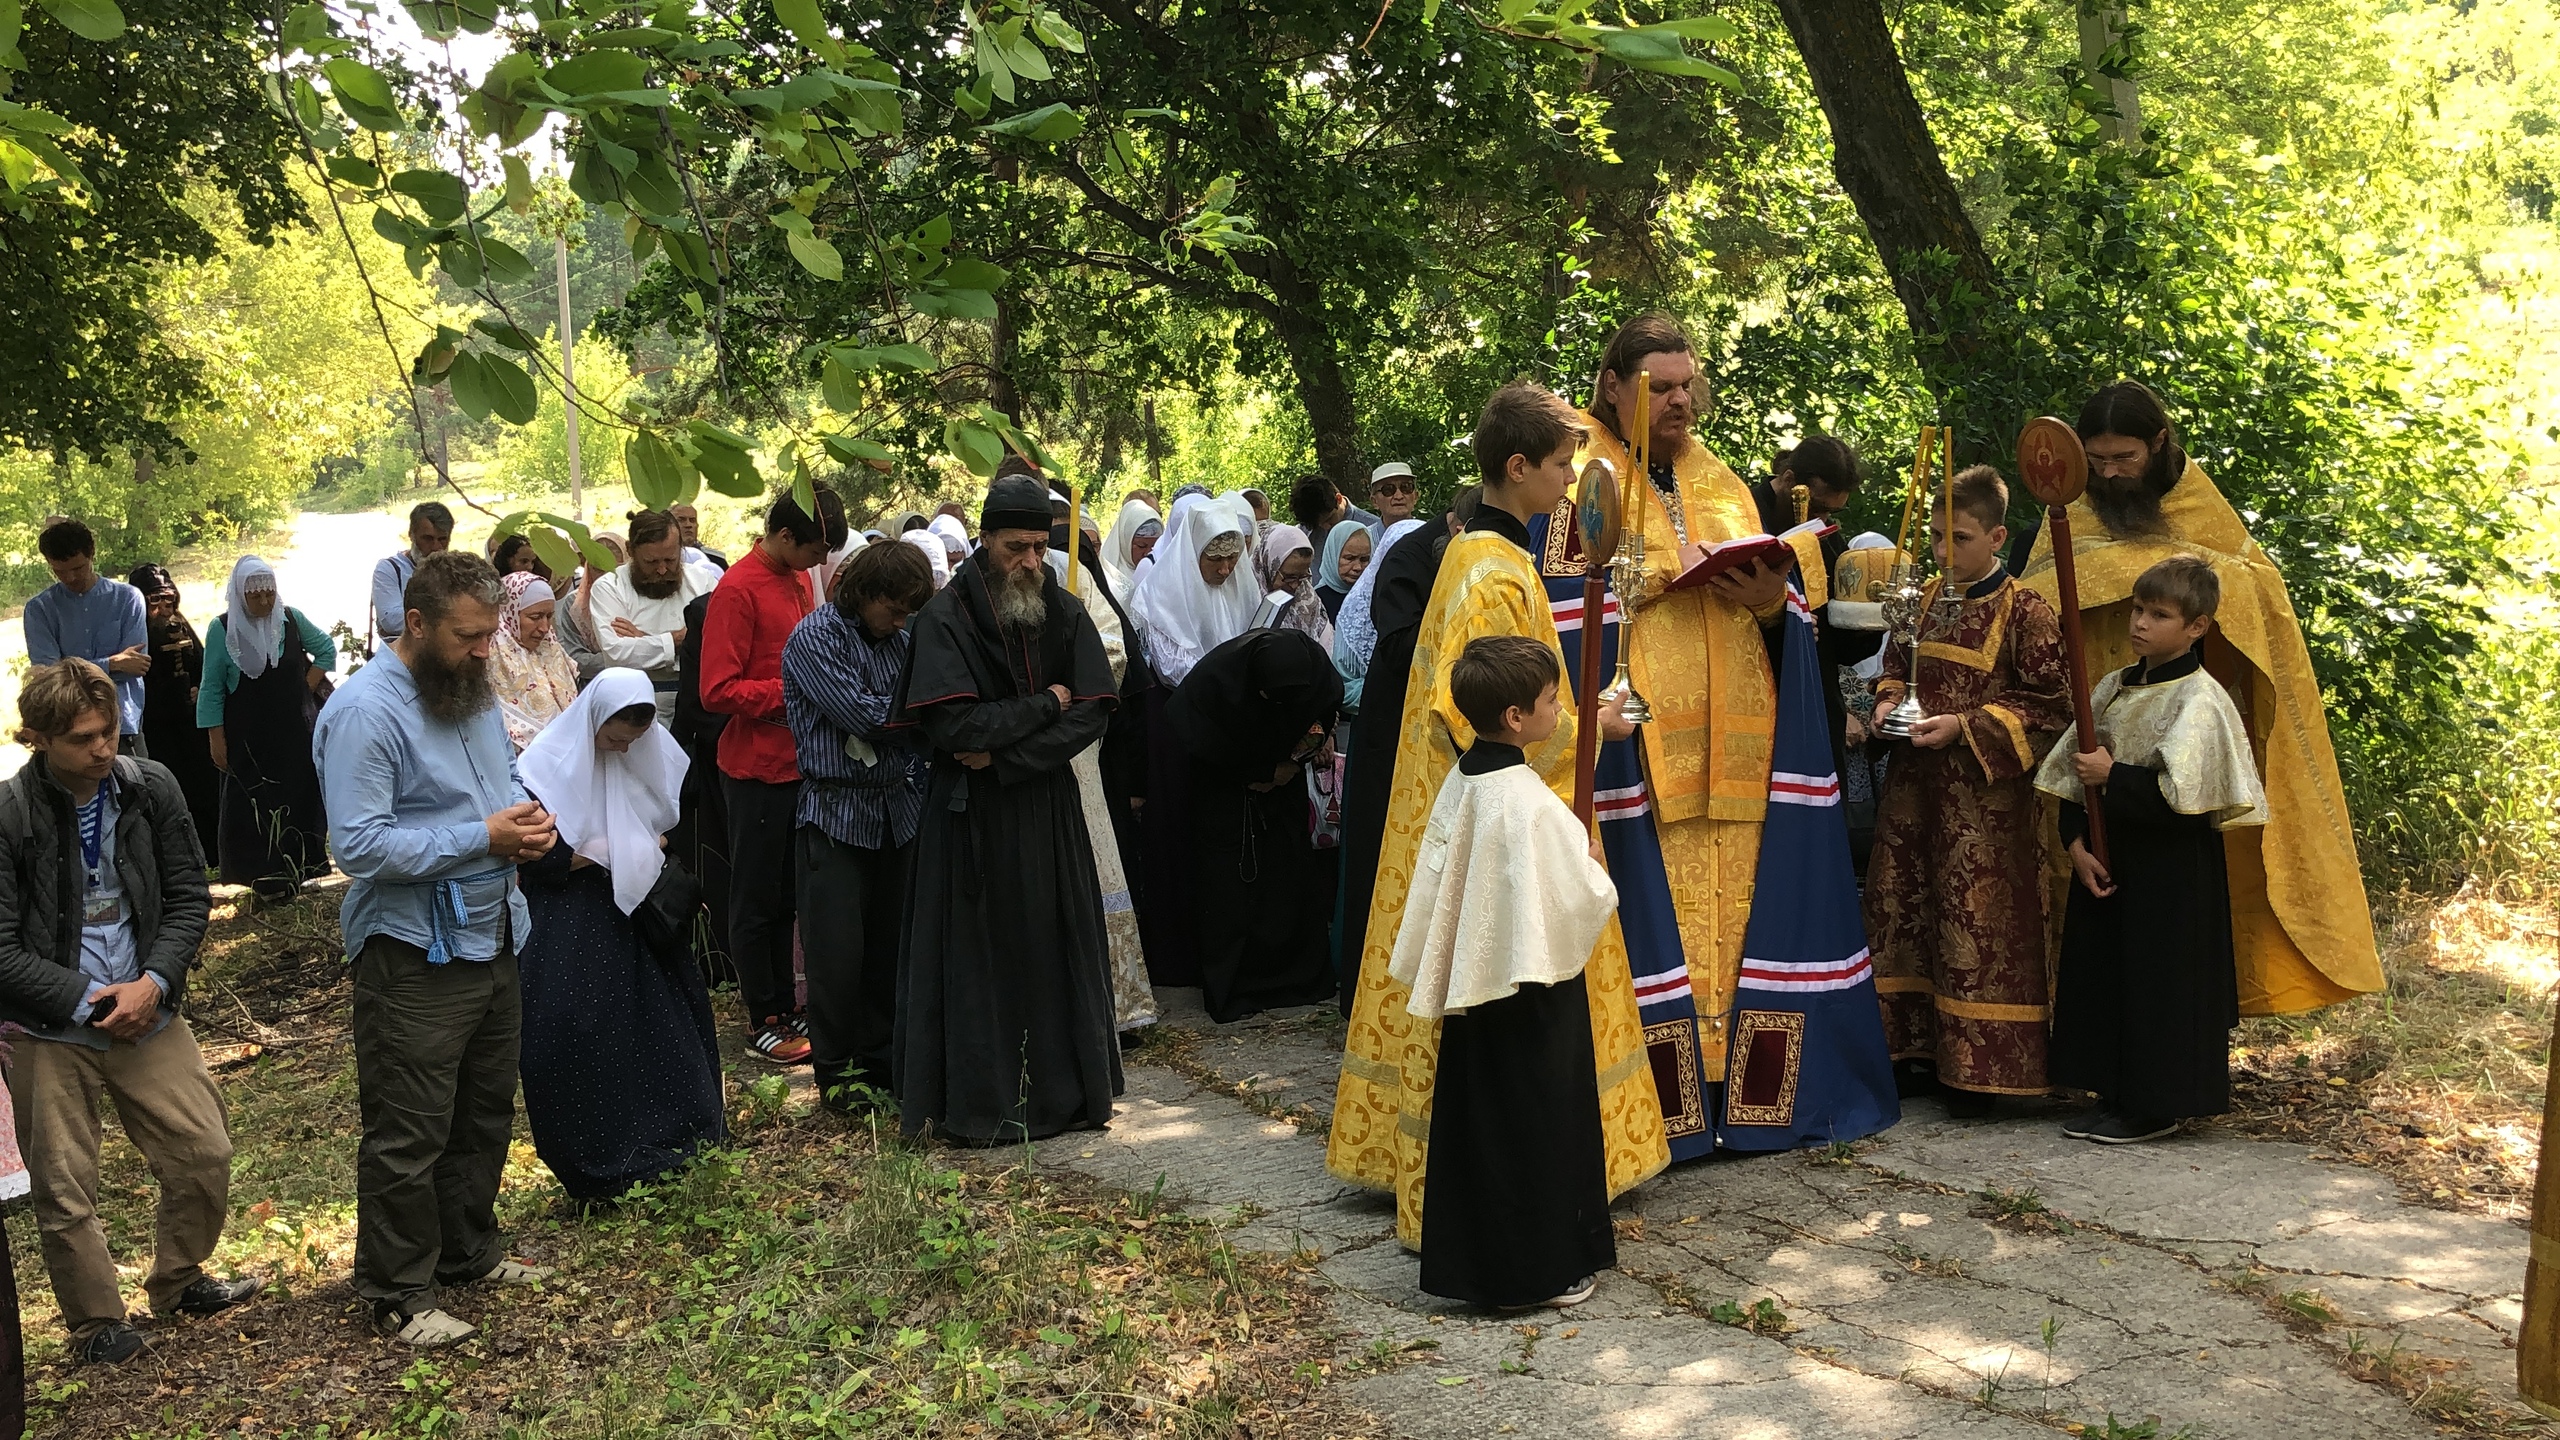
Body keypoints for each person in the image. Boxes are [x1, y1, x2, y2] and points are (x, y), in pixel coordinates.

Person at [1328, 381, 1666, 1252]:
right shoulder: (1487, 569)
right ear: (1517, 468)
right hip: (1496, 824)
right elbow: (1474, 713)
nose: (1568, 486)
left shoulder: (1491, 554)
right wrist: (1599, 726)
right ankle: (1511, 1168)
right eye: (1560, 468)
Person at [1568, 312, 1898, 1155]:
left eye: (1687, 386)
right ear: (1614, 386)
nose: (1681, 402)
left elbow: (1788, 609)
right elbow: (1560, 619)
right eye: (1661, 389)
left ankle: (1744, 1102)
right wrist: (1641, 588)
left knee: (1740, 919)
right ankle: (1660, 1117)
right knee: (1659, 922)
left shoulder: (1720, 482)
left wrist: (1769, 606)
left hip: (1743, 749)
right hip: (1639, 746)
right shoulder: (1581, 477)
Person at [2021, 380, 2382, 1015]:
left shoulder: (2196, 500)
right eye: (2097, 459)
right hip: (2096, 695)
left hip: (2178, 708)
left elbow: (2256, 590)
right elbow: (2032, 600)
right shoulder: (2073, 505)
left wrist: (2145, 582)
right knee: (2077, 871)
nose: (2108, 474)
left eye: (2123, 459)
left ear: (2158, 443)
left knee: (2163, 899)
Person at [313, 550, 559, 1348]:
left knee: (483, 1108)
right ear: (414, 624)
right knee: (410, 1123)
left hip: (492, 930)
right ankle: (396, 1291)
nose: (486, 650)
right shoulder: (365, 712)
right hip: (412, 949)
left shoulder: (471, 690)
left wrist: (523, 823)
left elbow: (500, 784)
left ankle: (467, 1250)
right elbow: (358, 845)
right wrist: (482, 837)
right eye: (469, 636)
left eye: (490, 634)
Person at [0, 659, 259, 1365]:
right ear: (38, 739)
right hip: (48, 1024)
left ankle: (178, 1279)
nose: (103, 749)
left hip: (147, 1004)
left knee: (204, 1149)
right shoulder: (8, 814)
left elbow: (186, 895)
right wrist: (86, 999)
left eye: (109, 731)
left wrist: (155, 982)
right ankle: (94, 1325)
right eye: (83, 738)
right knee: (64, 1182)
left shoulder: (152, 788)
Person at [891, 475, 1123, 1144]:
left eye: (1039, 549)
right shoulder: (945, 617)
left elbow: (1093, 710)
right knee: (978, 961)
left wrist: (1014, 753)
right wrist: (1043, 704)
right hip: (971, 822)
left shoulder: (1064, 607)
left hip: (1045, 805)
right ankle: (982, 1106)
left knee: (1053, 950)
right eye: (1015, 547)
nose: (1029, 562)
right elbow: (957, 730)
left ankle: (1066, 1097)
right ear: (984, 540)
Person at [1393, 636, 1619, 1309]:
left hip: (1479, 991)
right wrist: (1594, 870)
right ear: (1516, 717)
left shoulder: (1465, 778)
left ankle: (1481, 1268)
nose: (1560, 710)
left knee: (1484, 1125)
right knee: (1537, 1122)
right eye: (1552, 701)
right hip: (1533, 989)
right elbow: (1582, 895)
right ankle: (1540, 1271)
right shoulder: (1528, 800)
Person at [2036, 556, 2267, 1143]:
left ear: (2197, 627)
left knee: (2159, 982)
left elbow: (2186, 799)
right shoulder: (2114, 687)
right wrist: (2076, 843)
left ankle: (2155, 1104)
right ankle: (2112, 1092)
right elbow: (2073, 775)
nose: (2141, 623)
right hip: (2109, 861)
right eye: (2139, 610)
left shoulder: (2200, 701)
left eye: (2159, 614)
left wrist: (2114, 778)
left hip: (2172, 875)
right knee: (2108, 975)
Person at [1865, 466, 2071, 1113]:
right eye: (1934, 537)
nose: (1942, 552)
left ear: (1997, 537)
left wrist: (1965, 725)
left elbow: (2053, 704)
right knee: (1902, 912)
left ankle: (1989, 1075)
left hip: (1989, 813)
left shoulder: (2027, 611)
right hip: (1913, 798)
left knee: (1981, 930)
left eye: (1958, 538)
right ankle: (1911, 1054)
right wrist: (1887, 702)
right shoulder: (1921, 599)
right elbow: (1895, 668)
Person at [515, 670, 726, 1198]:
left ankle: (676, 1140)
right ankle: (600, 1158)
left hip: (640, 922)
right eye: (612, 739)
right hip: (572, 923)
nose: (620, 750)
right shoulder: (545, 765)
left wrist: (632, 845)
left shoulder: (639, 756)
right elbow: (535, 856)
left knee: (662, 1026)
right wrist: (607, 851)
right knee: (577, 1032)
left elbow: (659, 821)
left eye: (631, 742)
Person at [781, 543, 933, 1109]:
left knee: (890, 950)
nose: (901, 622)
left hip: (897, 810)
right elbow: (865, 714)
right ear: (866, 593)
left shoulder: (899, 638)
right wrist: (928, 713)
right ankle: (840, 1078)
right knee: (837, 955)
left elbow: (913, 698)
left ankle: (885, 1061)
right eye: (894, 609)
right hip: (836, 815)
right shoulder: (817, 637)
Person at [701, 485, 848, 1065]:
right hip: (755, 770)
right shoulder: (736, 590)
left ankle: (792, 1005)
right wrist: (792, 694)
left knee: (793, 895)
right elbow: (717, 689)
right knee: (756, 900)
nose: (819, 564)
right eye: (814, 550)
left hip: (804, 765)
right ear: (785, 536)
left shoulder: (799, 578)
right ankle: (762, 1014)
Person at [1167, 630, 1341, 1023]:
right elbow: (1196, 737)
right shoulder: (1217, 681)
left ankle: (1298, 980)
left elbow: (1320, 718)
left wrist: (1293, 763)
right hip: (1226, 791)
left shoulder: (1314, 673)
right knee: (1232, 887)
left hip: (1285, 785)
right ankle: (1235, 988)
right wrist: (1257, 772)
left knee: (1288, 877)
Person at [1127, 493, 1258, 985]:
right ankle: (1179, 957)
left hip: (1225, 727)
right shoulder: (1161, 593)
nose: (1225, 569)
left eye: (1232, 559)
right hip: (1179, 729)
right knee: (1179, 833)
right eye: (1215, 559)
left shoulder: (1239, 588)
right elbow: (1175, 668)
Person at [1046, 489, 1158, 1040]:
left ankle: (1114, 1008)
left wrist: (1067, 705)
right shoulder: (976, 583)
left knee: (1095, 869)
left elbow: (1111, 647)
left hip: (1075, 751)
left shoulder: (1072, 575)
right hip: (1012, 754)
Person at [199, 558, 334, 903]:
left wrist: (305, 685)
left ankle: (299, 873)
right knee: (254, 807)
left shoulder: (290, 620)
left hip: (293, 735)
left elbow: (325, 650)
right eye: (255, 596)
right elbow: (212, 687)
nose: (263, 603)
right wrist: (216, 739)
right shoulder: (222, 629)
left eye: (268, 594)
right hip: (248, 740)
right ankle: (263, 881)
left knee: (298, 800)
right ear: (241, 595)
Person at [25, 520, 148, 755]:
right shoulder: (39, 609)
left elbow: (137, 666)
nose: (70, 578)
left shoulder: (128, 599)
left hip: (121, 724)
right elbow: (47, 676)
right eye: (59, 571)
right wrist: (112, 663)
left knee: (138, 787)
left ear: (92, 554)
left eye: (78, 568)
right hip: (67, 729)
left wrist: (69, 669)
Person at [591, 509, 719, 723]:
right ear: (630, 550)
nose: (662, 570)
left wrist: (645, 640)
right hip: (634, 709)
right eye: (651, 562)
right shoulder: (609, 588)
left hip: (697, 706)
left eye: (670, 560)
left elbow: (719, 644)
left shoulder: (703, 581)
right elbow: (618, 654)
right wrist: (679, 639)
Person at [127, 566, 219, 857]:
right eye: (154, 602)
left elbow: (203, 665)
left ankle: (212, 851)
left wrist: (198, 688)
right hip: (157, 726)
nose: (163, 608)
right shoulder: (134, 632)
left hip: (191, 724)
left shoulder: (181, 625)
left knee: (204, 785)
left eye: (168, 600)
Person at [490, 572, 578, 751]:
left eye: (549, 616)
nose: (544, 628)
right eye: (535, 617)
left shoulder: (551, 649)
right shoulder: (494, 659)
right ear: (510, 613)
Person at [370, 502, 455, 649]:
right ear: (411, 535)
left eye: (442, 539)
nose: (436, 547)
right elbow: (392, 622)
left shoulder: (455, 570)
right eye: (427, 538)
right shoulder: (389, 569)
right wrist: (449, 620)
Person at [556, 530, 627, 686]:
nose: (604, 578)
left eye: (612, 570)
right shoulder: (575, 605)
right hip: (593, 687)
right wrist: (628, 656)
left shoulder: (636, 600)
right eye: (597, 569)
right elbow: (575, 659)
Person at [1252, 524, 1333, 647]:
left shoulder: (1308, 599)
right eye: (1289, 577)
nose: (1295, 585)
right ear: (1270, 567)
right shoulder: (1249, 597)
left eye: (1302, 577)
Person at [1288, 474, 1376, 557]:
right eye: (1318, 525)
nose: (1325, 527)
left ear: (1339, 499)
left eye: (1329, 519)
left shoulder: (1373, 529)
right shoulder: (1303, 532)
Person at [1101, 499, 1161, 593]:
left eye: (1154, 546)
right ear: (1126, 541)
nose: (1147, 553)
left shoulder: (1161, 573)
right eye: (1141, 546)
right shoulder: (1105, 574)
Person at [1314, 522, 1370, 622]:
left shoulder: (1373, 595)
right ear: (1333, 555)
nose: (1358, 567)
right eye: (1350, 558)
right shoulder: (1315, 602)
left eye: (1364, 559)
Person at [1365, 462, 1421, 535]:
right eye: (1388, 490)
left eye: (1406, 487)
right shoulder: (1364, 541)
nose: (1399, 496)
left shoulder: (1431, 535)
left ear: (1415, 497)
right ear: (1375, 501)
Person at [670, 502, 728, 570]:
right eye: (681, 520)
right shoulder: (659, 558)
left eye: (692, 520)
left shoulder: (716, 561)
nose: (688, 525)